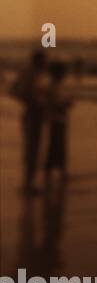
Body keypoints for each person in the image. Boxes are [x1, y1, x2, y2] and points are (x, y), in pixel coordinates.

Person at [9, 50, 47, 193]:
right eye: (44, 61)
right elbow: (17, 91)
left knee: (32, 148)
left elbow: (14, 90)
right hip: (33, 113)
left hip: (31, 112)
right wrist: (32, 101)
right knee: (32, 148)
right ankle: (28, 184)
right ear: (38, 61)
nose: (46, 63)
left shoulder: (31, 72)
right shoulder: (31, 73)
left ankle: (29, 183)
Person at [44, 61, 74, 186]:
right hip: (57, 119)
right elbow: (56, 104)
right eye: (62, 72)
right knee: (58, 146)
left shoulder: (55, 86)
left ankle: (56, 172)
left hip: (57, 119)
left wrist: (66, 102)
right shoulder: (54, 87)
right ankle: (59, 172)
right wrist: (66, 103)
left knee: (57, 145)